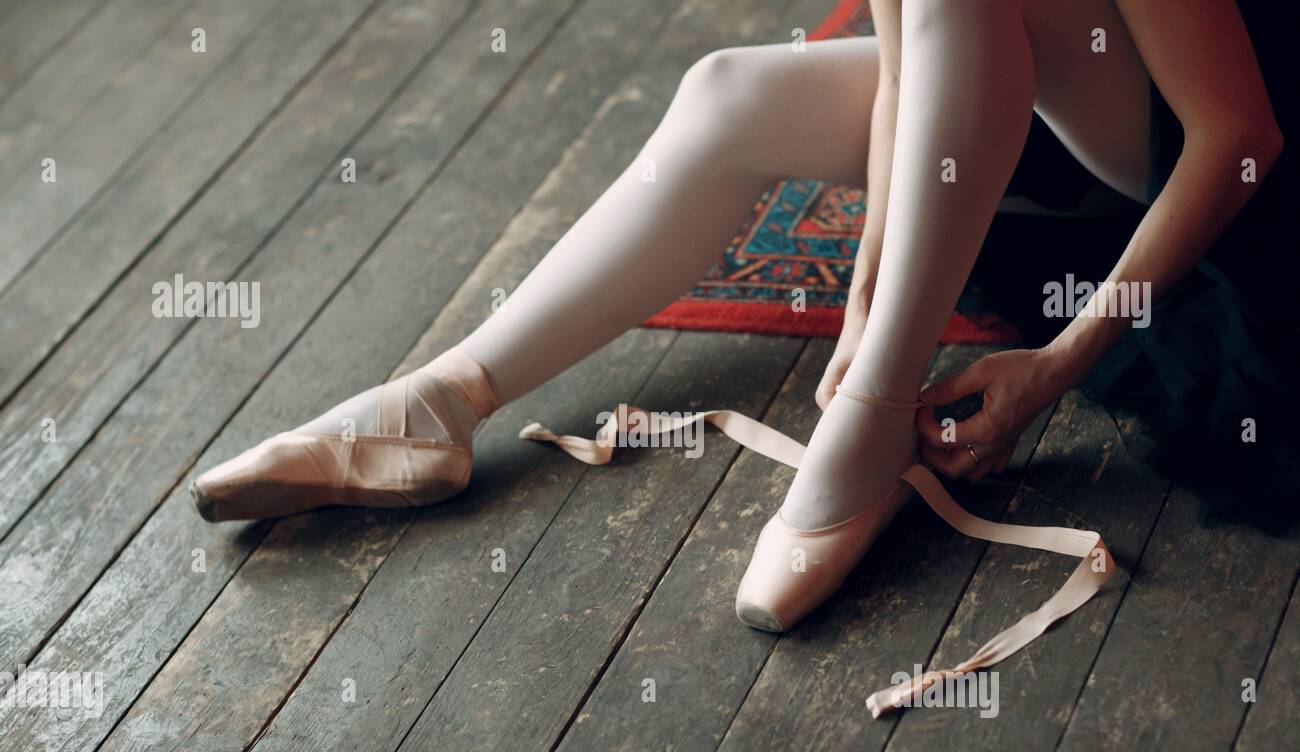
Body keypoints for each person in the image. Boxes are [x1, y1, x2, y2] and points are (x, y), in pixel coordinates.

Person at [192, 1, 1291, 667]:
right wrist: (869, 280)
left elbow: (1239, 135)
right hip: (1046, 119)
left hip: (1217, 167)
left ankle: (864, 441)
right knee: (726, 90)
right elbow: (913, 58)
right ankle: (439, 402)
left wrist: (1059, 363)